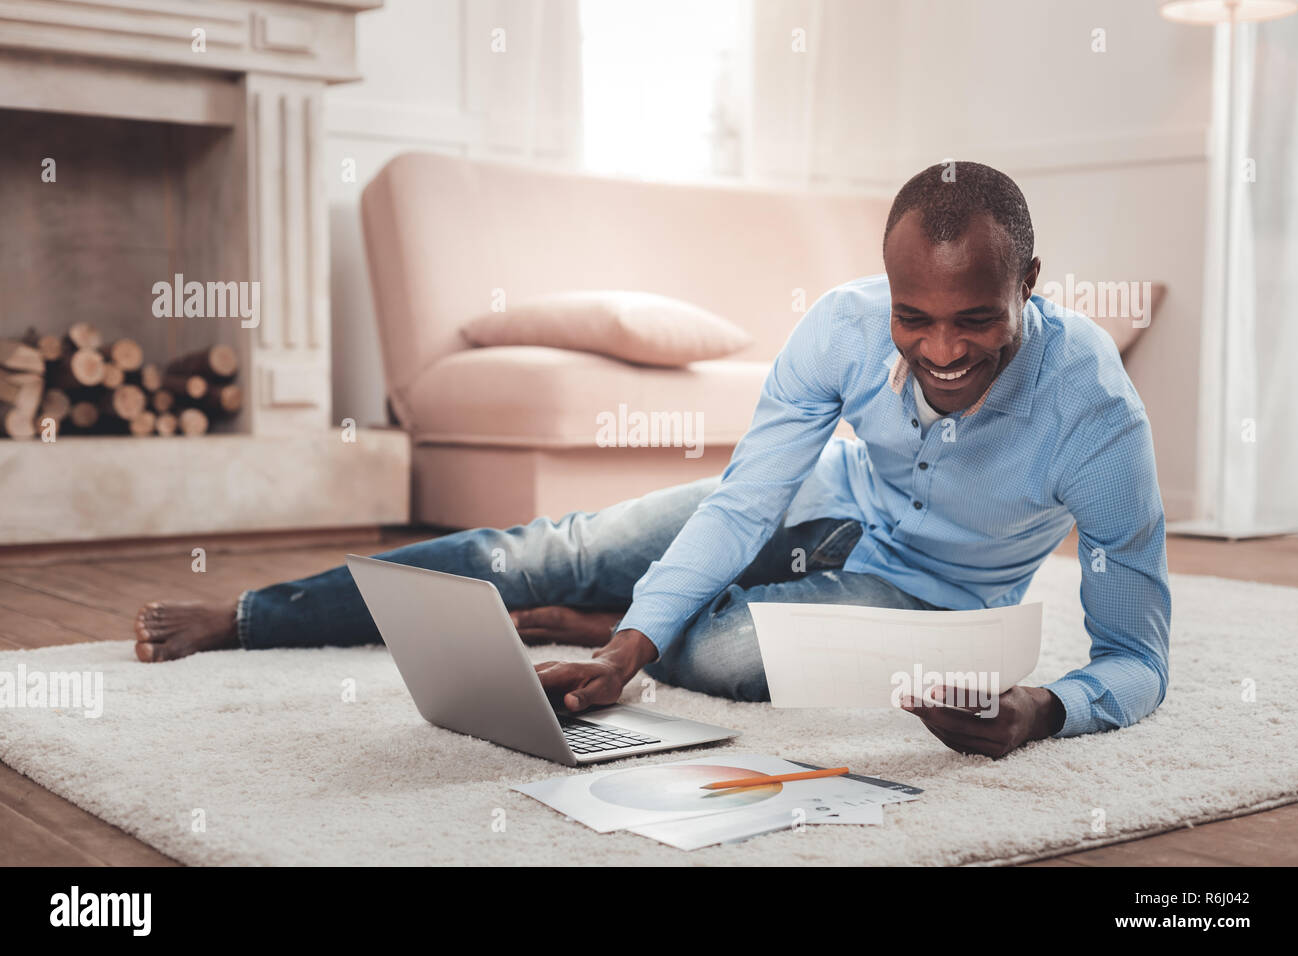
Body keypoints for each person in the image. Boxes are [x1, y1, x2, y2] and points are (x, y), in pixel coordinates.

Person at [135, 161, 1170, 758]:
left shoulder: (1096, 418)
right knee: (548, 551)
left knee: (724, 659)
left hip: (936, 590)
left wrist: (1040, 710)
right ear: (885, 288)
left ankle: (634, 620)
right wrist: (629, 651)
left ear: (1029, 282)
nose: (942, 350)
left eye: (975, 318)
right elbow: (744, 499)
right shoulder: (842, 327)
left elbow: (1136, 655)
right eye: (915, 317)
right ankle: (251, 617)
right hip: (831, 498)